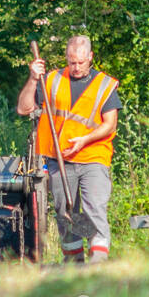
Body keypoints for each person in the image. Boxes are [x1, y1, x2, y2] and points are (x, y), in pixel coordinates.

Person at [16, 35, 122, 263]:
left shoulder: (104, 85)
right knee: (66, 213)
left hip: (93, 156)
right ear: (66, 57)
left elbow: (110, 124)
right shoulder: (51, 80)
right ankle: (74, 263)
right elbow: (24, 109)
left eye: (81, 62)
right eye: (72, 62)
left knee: (94, 206)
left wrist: (85, 140)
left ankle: (98, 262)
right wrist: (34, 79)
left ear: (90, 57)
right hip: (59, 160)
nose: (76, 67)